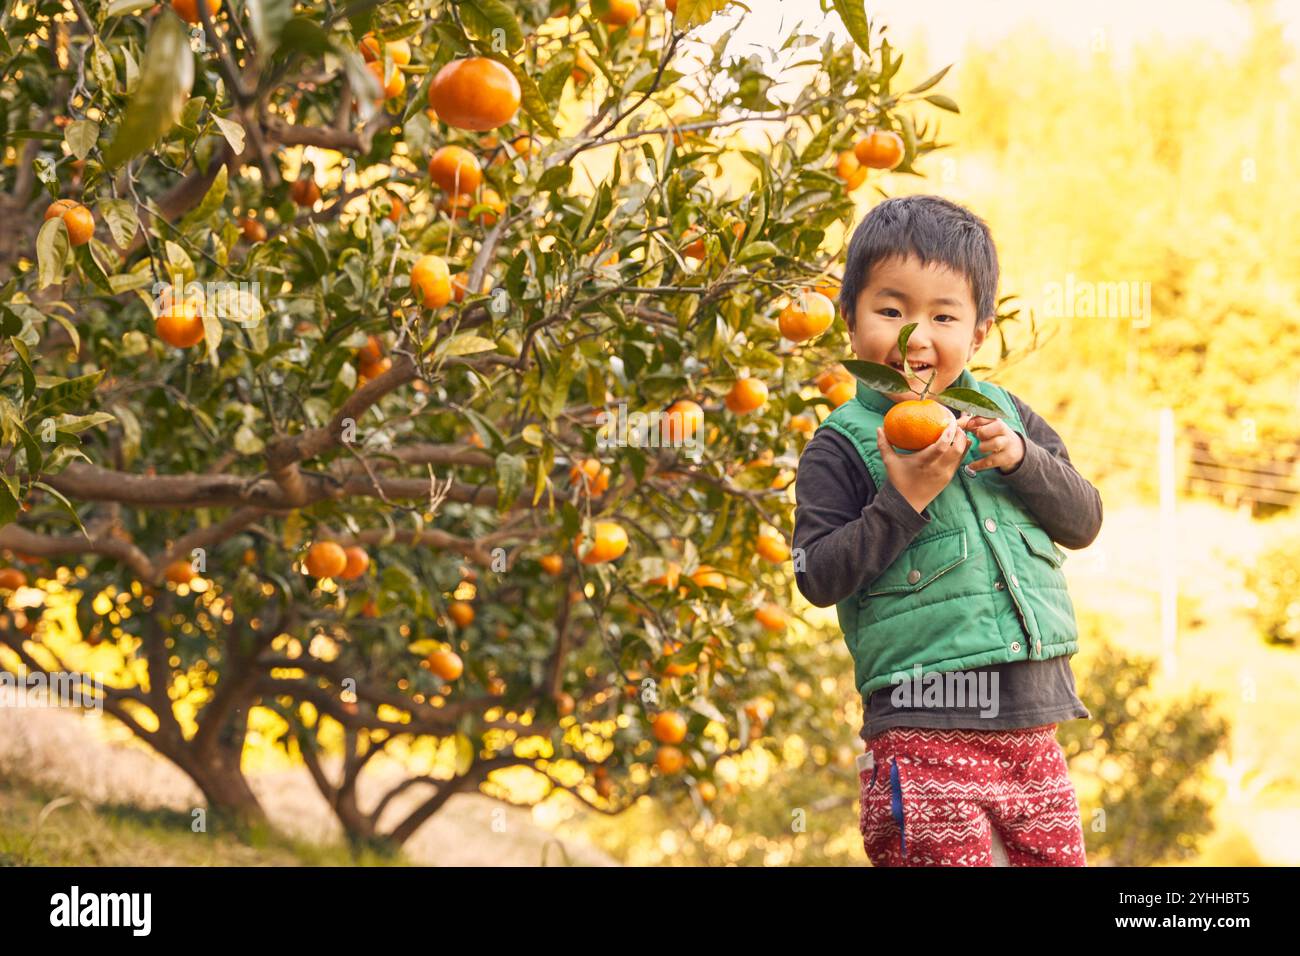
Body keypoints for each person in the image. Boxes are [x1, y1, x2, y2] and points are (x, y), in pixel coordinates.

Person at [793, 195, 1103, 866]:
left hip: (1033, 727)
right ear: (848, 319)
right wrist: (901, 501)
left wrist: (1022, 459)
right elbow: (814, 575)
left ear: (980, 330)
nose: (916, 337)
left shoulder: (1007, 416)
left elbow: (1084, 520)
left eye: (943, 315)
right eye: (892, 310)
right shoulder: (840, 446)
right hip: (922, 731)